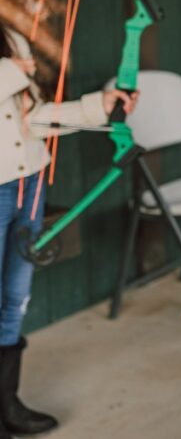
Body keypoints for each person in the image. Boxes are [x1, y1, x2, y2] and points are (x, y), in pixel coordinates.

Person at [0, 24, 138, 438]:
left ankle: (7, 405)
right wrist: (9, 72)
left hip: (30, 183)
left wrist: (100, 106)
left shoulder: (9, 37)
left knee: (13, 300)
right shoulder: (12, 60)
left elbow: (31, 117)